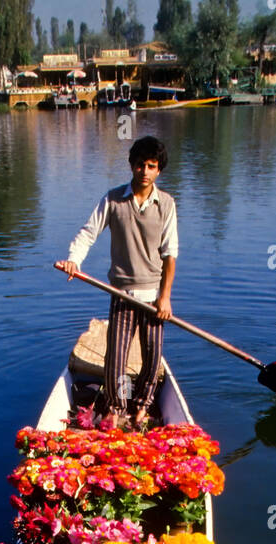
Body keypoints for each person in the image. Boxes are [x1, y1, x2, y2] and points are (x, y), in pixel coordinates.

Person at [56, 135, 177, 428]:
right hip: (121, 292)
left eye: (151, 166)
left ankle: (143, 405)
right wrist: (74, 260)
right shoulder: (113, 199)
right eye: (140, 165)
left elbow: (170, 254)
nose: (145, 171)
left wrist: (165, 297)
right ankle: (116, 407)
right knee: (116, 356)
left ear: (159, 170)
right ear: (131, 165)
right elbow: (88, 233)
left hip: (152, 295)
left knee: (152, 356)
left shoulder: (166, 204)